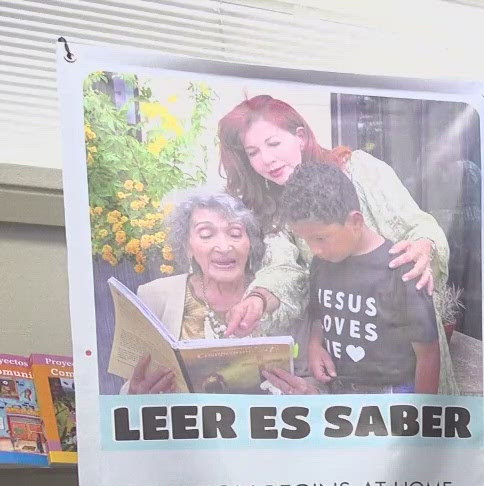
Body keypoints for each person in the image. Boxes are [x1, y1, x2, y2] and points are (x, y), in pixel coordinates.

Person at [214, 96, 447, 340]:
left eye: (273, 143)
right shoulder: (274, 206)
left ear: (301, 137)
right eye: (253, 153)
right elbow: (283, 269)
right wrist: (259, 299)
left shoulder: (358, 169)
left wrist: (424, 246)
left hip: (405, 335)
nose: (267, 159)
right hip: (343, 341)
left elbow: (417, 224)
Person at [280, 161, 441, 394]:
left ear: (355, 221)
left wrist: (423, 420)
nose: (314, 249)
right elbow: (319, 314)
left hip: (393, 395)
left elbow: (428, 354)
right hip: (340, 392)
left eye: (321, 238)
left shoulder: (402, 268)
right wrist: (316, 345)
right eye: (306, 240)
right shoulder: (321, 264)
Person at [125, 190, 293, 394]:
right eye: (206, 234)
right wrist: (134, 395)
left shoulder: (277, 292)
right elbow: (130, 383)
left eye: (235, 233)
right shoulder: (155, 296)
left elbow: (307, 377)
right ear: (188, 247)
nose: (224, 247)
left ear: (250, 243)